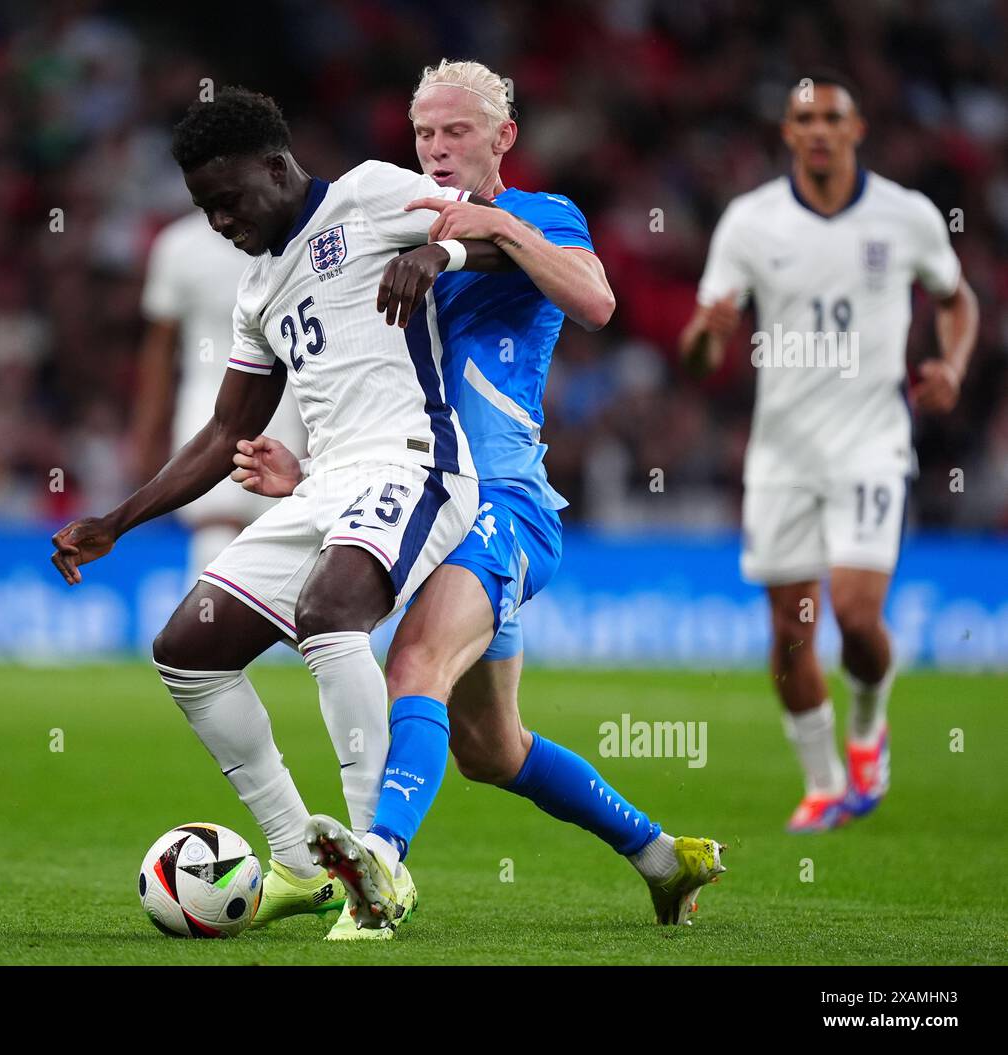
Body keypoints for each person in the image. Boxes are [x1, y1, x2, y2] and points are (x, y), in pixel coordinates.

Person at [233, 61, 726, 938]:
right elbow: (375, 391)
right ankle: (662, 856)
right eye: (423, 134)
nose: (435, 148)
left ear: (502, 137)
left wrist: (475, 233)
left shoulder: (540, 217)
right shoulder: (391, 229)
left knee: (411, 665)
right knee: (492, 750)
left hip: (502, 500)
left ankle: (379, 862)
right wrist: (307, 473)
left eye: (455, 131)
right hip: (418, 497)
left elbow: (598, 301)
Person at [51, 86, 515, 928]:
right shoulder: (257, 289)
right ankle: (302, 862)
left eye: (227, 202)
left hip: (419, 463)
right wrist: (117, 520)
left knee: (329, 612)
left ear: (276, 167)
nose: (220, 222)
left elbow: (509, 239)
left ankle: (381, 858)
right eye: (203, 209)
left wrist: (439, 254)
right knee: (186, 648)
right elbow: (228, 426)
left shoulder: (372, 193)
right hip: (329, 482)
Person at [679, 70, 979, 832]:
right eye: (802, 117)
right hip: (781, 454)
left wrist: (952, 364)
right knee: (789, 633)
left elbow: (956, 299)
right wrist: (707, 333)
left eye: (830, 118)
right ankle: (823, 782)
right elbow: (697, 359)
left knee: (853, 609)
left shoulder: (905, 216)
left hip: (872, 443)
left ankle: (869, 724)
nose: (816, 129)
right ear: (788, 133)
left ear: (855, 130)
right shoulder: (750, 222)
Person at [132, 210, 307, 587]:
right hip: (209, 401)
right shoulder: (179, 246)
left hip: (290, 399)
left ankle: (251, 630)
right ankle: (203, 634)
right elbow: (160, 348)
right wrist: (148, 430)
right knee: (216, 522)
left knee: (278, 526)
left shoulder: (295, 234)